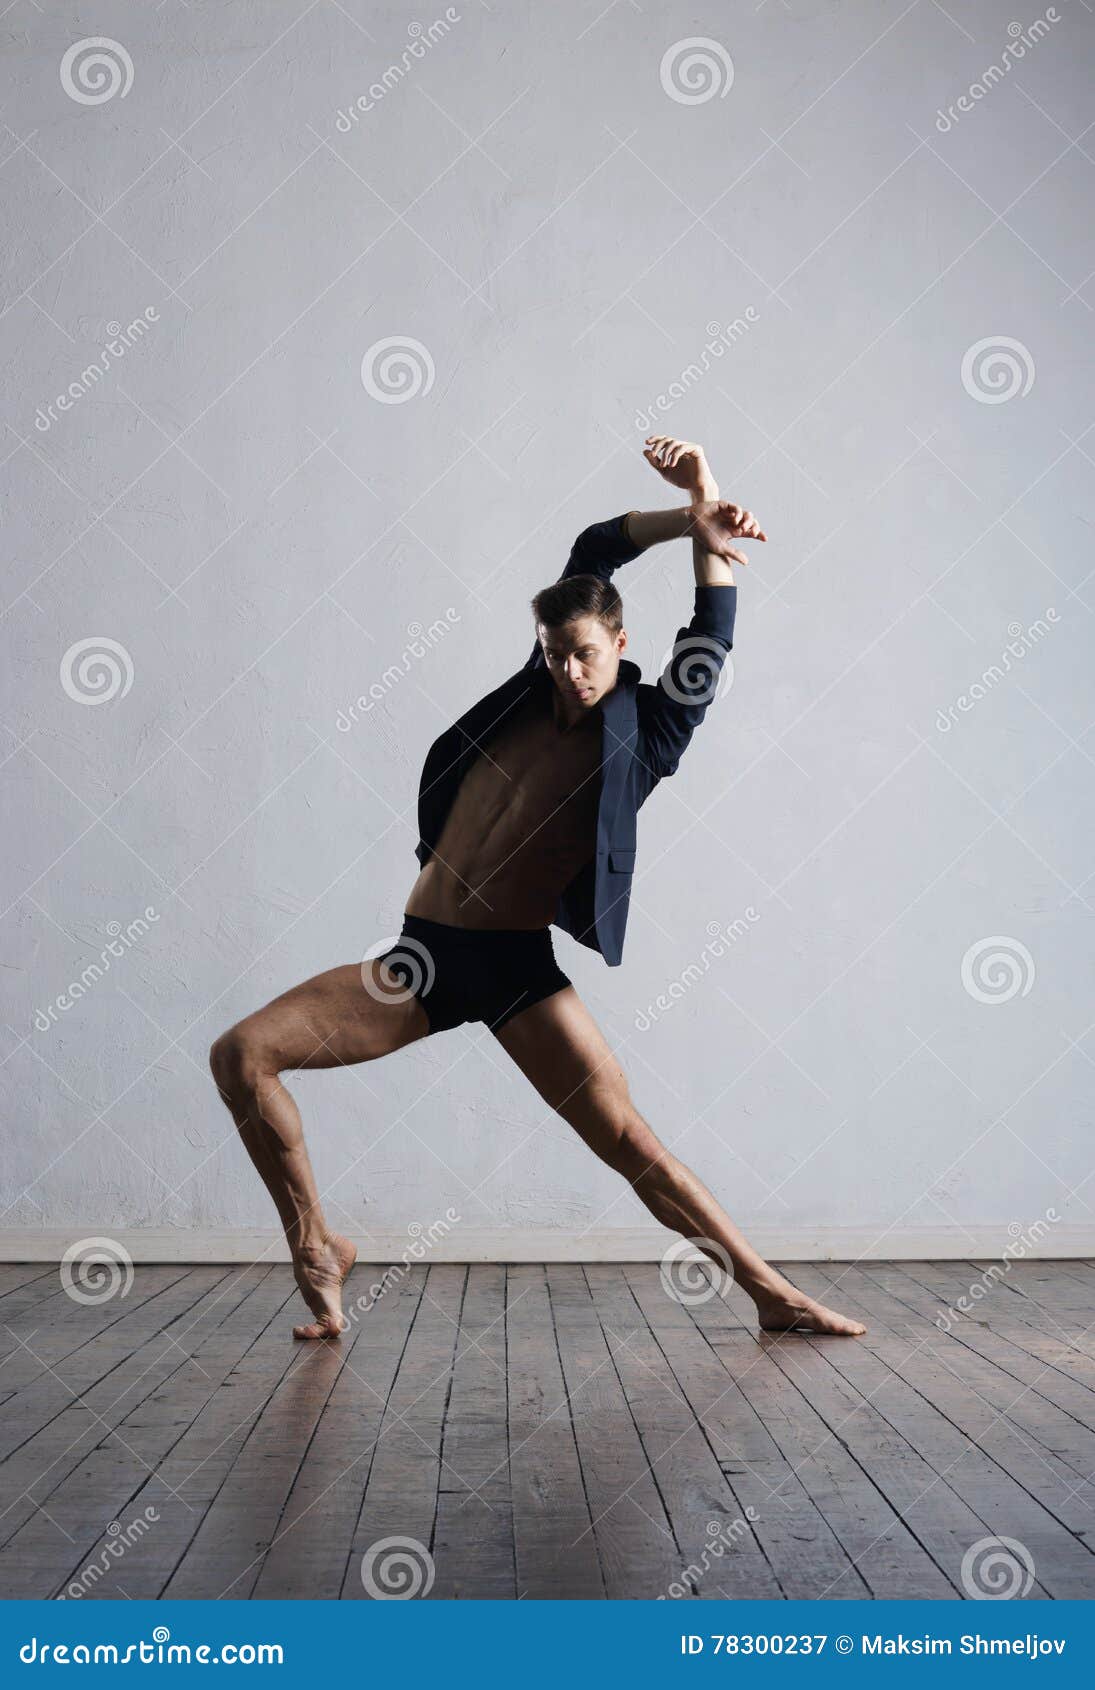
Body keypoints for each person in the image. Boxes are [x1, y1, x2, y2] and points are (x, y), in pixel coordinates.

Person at [209, 436, 866, 1340]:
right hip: (419, 961)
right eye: (555, 652)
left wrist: (710, 513)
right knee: (240, 1055)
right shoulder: (530, 689)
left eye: (585, 653)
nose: (568, 669)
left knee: (629, 1145)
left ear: (621, 644)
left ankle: (772, 1294)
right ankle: (318, 1244)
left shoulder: (652, 729)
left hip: (517, 968)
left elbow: (711, 631)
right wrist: (680, 513)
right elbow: (595, 549)